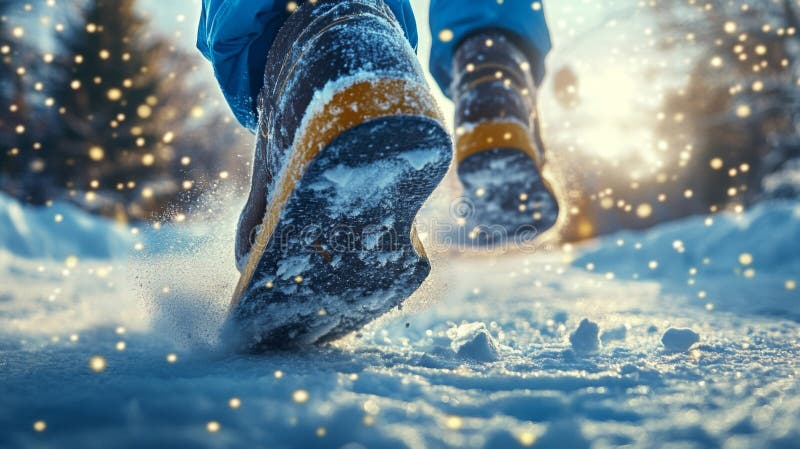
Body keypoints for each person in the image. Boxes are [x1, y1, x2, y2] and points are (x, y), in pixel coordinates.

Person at [197, 0, 558, 350]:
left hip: (301, 46)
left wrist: (269, 116)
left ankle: (316, 35)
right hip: (407, 44)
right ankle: (491, 73)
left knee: (306, 24)